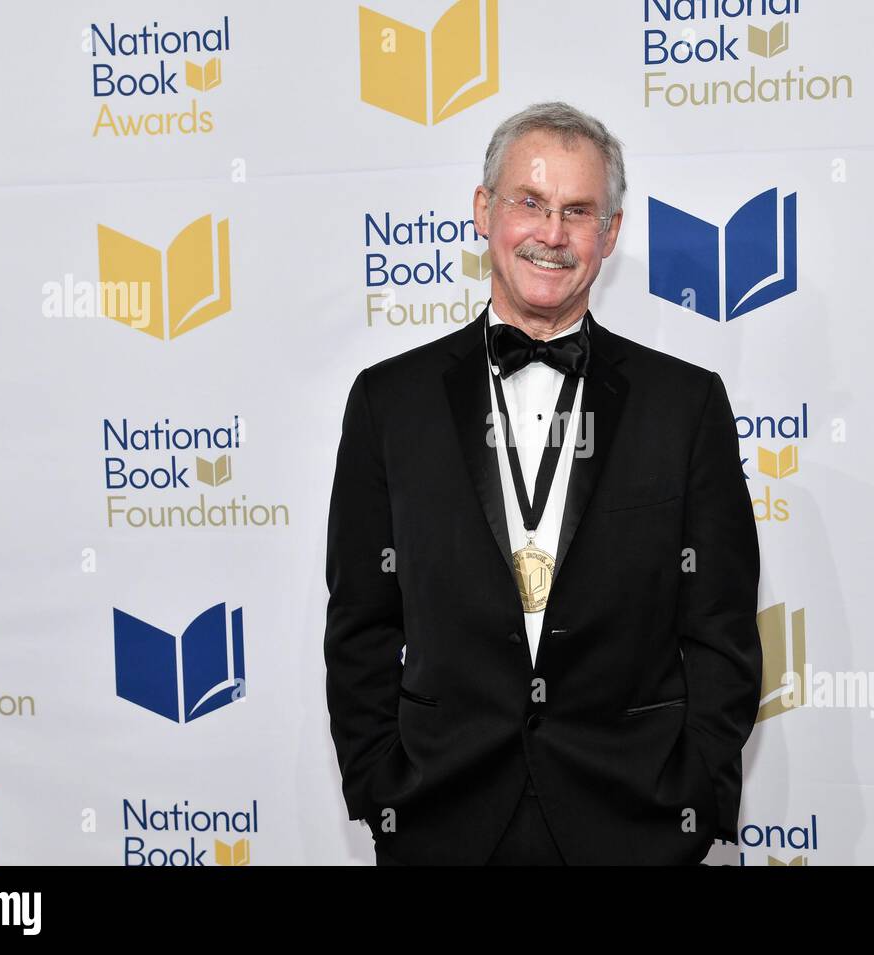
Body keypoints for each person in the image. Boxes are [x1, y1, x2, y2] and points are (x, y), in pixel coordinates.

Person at [324, 101, 761, 865]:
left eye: (578, 211)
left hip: (632, 822)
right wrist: (379, 785)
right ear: (483, 211)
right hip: (442, 818)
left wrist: (692, 793)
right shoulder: (388, 401)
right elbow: (361, 623)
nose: (552, 234)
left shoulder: (685, 404)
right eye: (529, 202)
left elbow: (721, 629)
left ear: (610, 234)